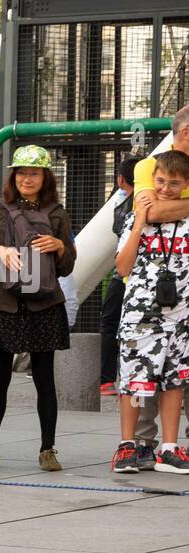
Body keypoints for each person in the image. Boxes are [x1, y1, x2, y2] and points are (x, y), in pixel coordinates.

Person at [0, 145, 76, 472]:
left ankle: (47, 448)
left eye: (35, 172)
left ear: (45, 177)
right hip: (1, 302)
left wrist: (59, 247)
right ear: (13, 176)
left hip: (44, 304)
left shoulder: (56, 212)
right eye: (22, 172)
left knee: (45, 379)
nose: (28, 179)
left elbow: (67, 266)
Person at [111, 149, 189, 474]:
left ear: (185, 184)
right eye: (160, 181)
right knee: (135, 382)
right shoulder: (134, 217)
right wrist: (140, 222)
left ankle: (169, 448)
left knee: (174, 382)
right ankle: (127, 446)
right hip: (141, 316)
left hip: (180, 315)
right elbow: (122, 265)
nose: (165, 189)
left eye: (174, 183)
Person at [100, 155, 140, 397]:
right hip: (154, 277)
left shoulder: (125, 205)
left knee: (110, 323)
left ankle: (106, 381)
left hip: (124, 275)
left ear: (120, 179)